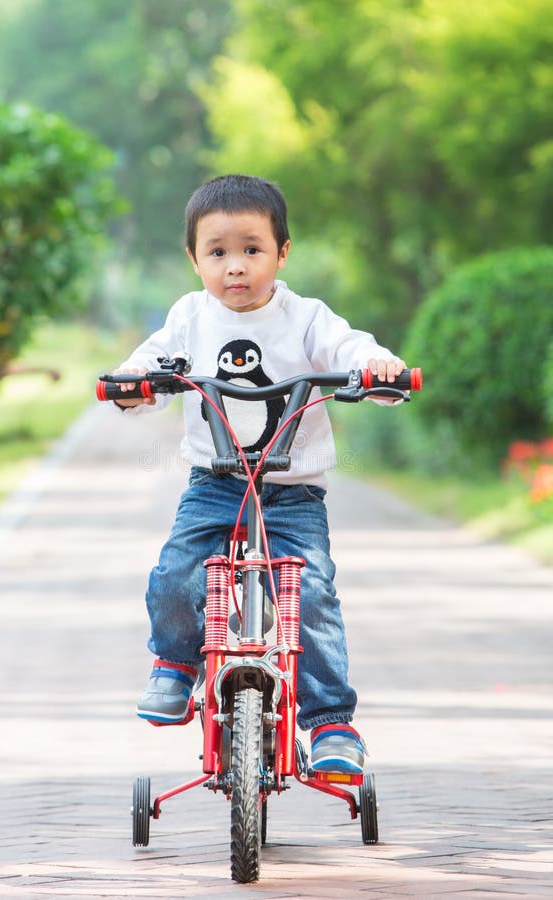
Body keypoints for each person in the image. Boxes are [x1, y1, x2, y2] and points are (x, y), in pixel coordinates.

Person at [112, 174, 406, 774]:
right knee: (176, 570)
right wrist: (130, 382)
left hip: (292, 493)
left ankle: (329, 724)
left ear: (282, 252)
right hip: (214, 484)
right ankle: (174, 664)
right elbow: (151, 362)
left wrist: (376, 368)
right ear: (194, 259)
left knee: (312, 594)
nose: (236, 267)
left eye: (252, 249)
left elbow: (349, 348)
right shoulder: (190, 318)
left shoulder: (305, 318)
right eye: (217, 252)